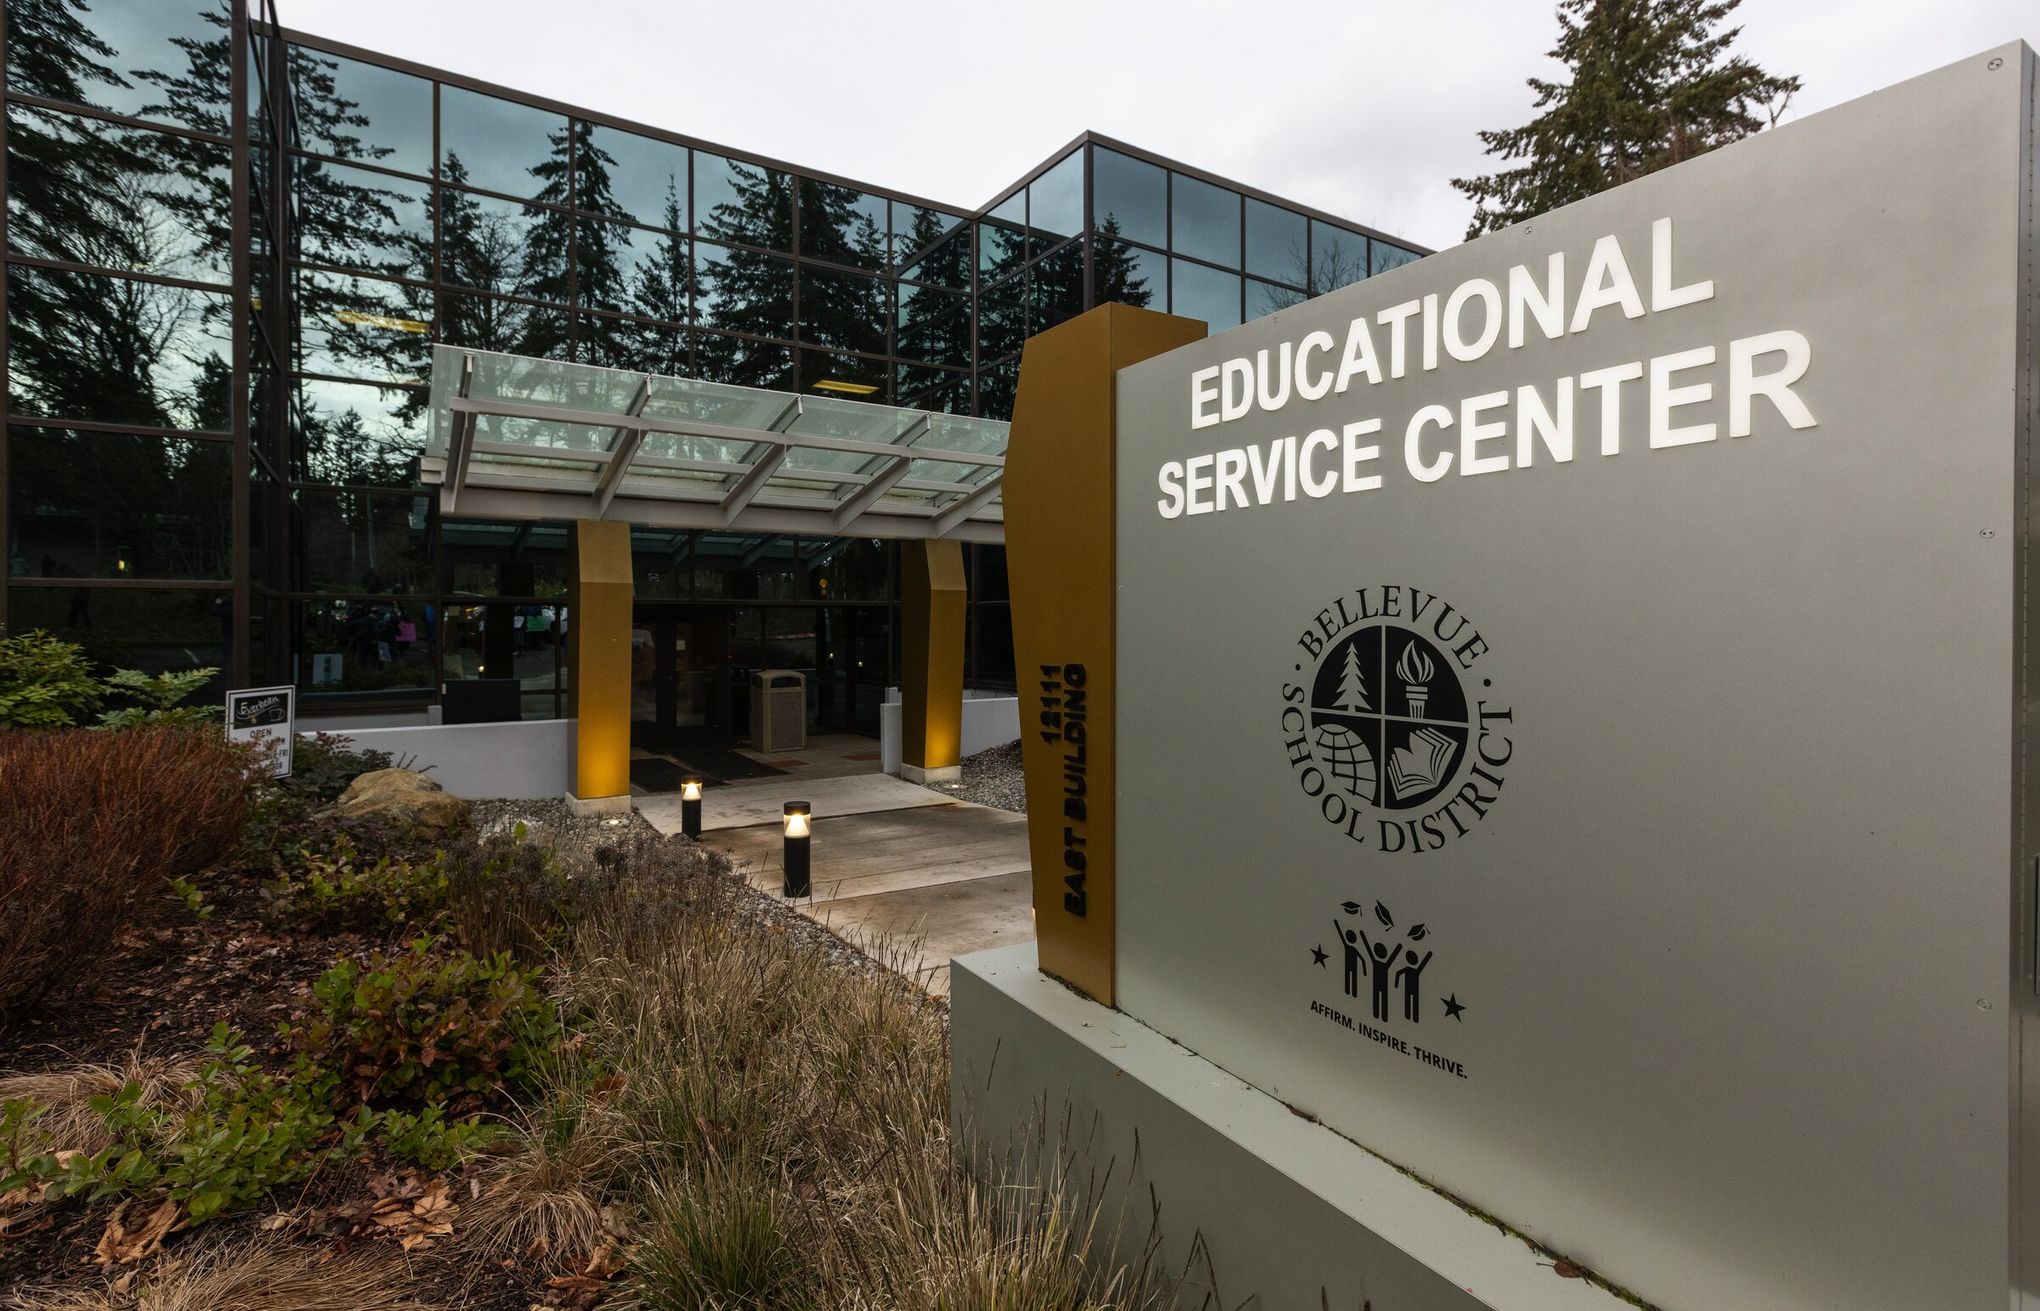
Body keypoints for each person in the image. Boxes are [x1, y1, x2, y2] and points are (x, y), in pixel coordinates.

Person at [1358, 929, 1402, 1024]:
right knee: (1381, 999)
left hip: (1378, 985)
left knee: (1378, 998)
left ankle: (1379, 1015)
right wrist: (1399, 947)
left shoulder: (1376, 962)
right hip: (1381, 985)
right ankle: (1381, 1016)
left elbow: (1368, 949)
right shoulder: (1384, 965)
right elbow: (1392, 957)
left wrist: (1363, 936)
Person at [1395, 950, 1435, 1023]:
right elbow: (1398, 973)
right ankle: (1410, 1016)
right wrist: (1396, 984)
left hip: (1412, 989)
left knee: (1413, 1002)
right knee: (1410, 1001)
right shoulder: (1412, 970)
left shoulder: (1412, 970)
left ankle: (1413, 1017)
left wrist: (1396, 984)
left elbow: (1398, 973)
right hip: (1411, 989)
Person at [1332, 920, 1364, 1000]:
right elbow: (1341, 935)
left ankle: (1352, 992)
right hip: (1351, 965)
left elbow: (1342, 936)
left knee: (1351, 977)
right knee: (1350, 977)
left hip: (1352, 965)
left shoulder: (1350, 948)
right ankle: (1350, 991)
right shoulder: (1350, 947)